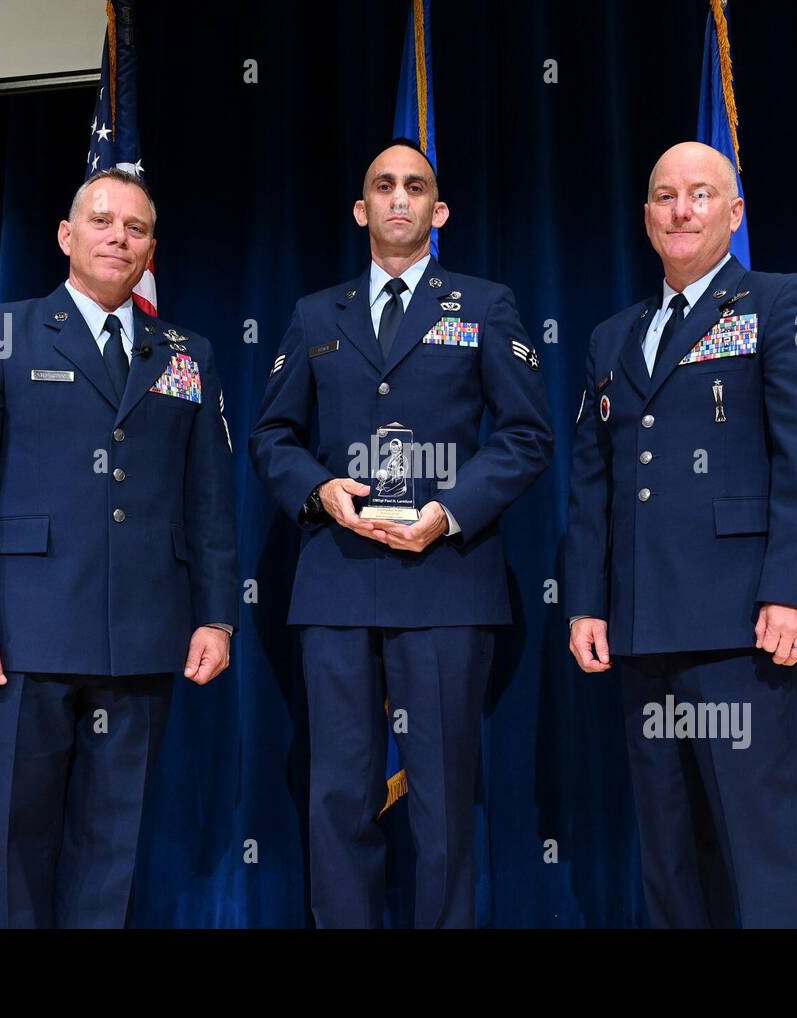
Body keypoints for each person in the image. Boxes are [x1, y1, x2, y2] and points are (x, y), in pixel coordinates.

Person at [0, 168, 238, 928]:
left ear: (150, 249)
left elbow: (209, 499)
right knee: (12, 847)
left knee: (114, 853)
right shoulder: (0, 333)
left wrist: (217, 617)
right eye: (101, 222)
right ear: (67, 236)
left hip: (143, 634)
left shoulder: (185, 353)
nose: (116, 238)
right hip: (22, 636)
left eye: (133, 229)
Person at [250, 139, 553, 928]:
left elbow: (526, 433)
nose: (397, 198)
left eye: (414, 187)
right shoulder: (316, 314)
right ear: (361, 210)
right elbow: (271, 435)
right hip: (337, 581)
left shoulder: (485, 305)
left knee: (446, 801)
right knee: (337, 795)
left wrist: (448, 510)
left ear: (437, 211)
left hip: (447, 579)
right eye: (382, 185)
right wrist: (318, 489)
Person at [564, 141, 797, 927]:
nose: (681, 210)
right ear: (648, 218)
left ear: (734, 212)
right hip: (642, 631)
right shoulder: (611, 337)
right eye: (665, 196)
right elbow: (594, 484)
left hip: (743, 630)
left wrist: (796, 593)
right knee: (670, 859)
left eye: (700, 194)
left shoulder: (784, 302)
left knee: (765, 856)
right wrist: (587, 603)